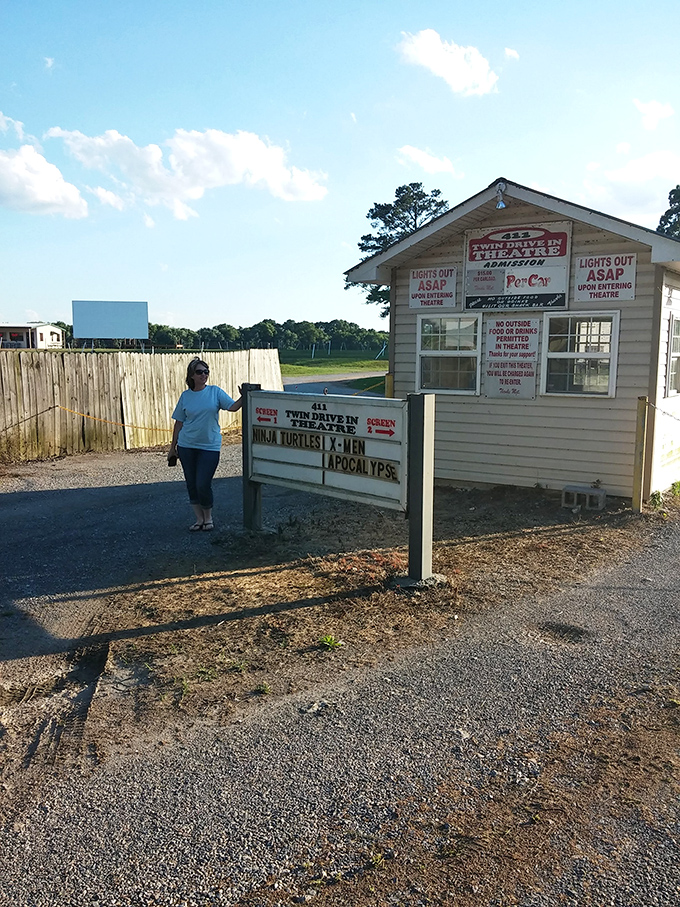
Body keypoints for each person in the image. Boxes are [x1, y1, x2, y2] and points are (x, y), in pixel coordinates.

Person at [169, 357, 243, 532]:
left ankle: (208, 517)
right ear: (191, 376)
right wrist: (172, 448)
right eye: (199, 372)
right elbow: (179, 422)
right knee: (191, 483)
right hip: (186, 445)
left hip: (209, 446)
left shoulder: (215, 392)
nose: (204, 375)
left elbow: (232, 407)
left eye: (206, 372)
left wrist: (244, 396)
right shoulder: (185, 396)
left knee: (203, 482)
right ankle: (199, 519)